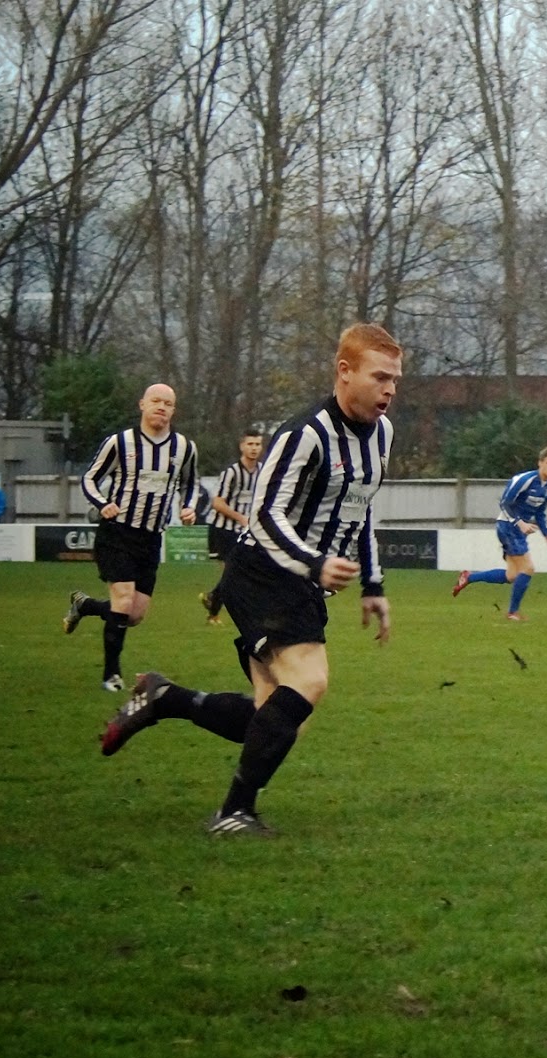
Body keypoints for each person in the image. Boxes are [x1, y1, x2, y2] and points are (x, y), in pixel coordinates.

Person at [95, 322, 401, 836]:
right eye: (380, 377)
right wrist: (314, 562)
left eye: (395, 379)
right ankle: (235, 811)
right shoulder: (304, 435)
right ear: (344, 373)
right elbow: (264, 514)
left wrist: (373, 584)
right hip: (264, 571)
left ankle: (164, 697)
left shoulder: (383, 435)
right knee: (310, 680)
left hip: (300, 581)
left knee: (280, 719)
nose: (390, 389)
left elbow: (362, 510)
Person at [63, 384, 202, 691]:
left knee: (134, 614)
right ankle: (111, 674)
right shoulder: (120, 443)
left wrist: (189, 506)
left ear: (173, 411)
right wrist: (102, 504)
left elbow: (191, 484)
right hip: (118, 533)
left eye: (168, 403)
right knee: (123, 601)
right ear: (142, 404)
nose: (161, 407)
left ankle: (84, 606)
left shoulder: (183, 448)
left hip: (151, 538)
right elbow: (89, 478)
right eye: (155, 401)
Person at [451, 445, 547, 619]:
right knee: (528, 568)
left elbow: (539, 512)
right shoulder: (525, 480)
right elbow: (504, 503)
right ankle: (513, 612)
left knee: (512, 575)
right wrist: (520, 523)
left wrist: (546, 533)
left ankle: (469, 576)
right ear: (540, 463)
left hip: (519, 531)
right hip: (507, 526)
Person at [200, 430, 265, 625]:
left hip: (246, 530)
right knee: (233, 574)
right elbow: (217, 503)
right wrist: (241, 518)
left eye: (257, 444)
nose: (254, 448)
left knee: (237, 574)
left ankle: (213, 601)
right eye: (250, 444)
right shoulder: (231, 472)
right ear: (242, 446)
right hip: (224, 529)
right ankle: (218, 609)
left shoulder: (263, 471)